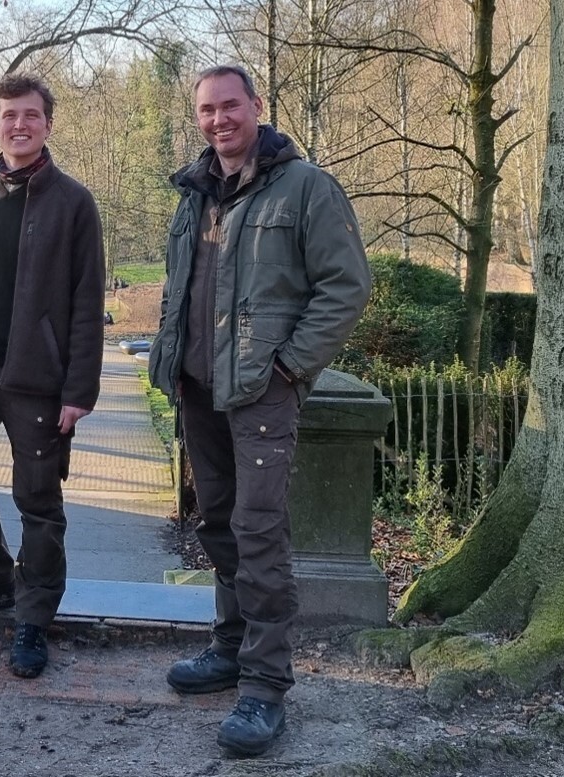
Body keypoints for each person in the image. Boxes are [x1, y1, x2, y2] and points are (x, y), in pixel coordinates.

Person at [149, 64, 371, 757]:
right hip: (199, 388)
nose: (219, 120)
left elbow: (347, 286)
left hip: (260, 393)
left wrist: (288, 366)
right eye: (207, 110)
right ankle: (229, 646)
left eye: (230, 107)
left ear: (257, 107)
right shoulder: (194, 194)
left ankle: (266, 685)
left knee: (259, 530)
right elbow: (180, 289)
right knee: (216, 521)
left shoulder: (306, 188)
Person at [0, 73, 105, 678]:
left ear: (47, 124)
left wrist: (79, 390)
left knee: (39, 504)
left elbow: (87, 302)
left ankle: (33, 618)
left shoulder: (73, 202)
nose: (19, 125)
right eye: (8, 116)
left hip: (37, 378)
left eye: (30, 115)